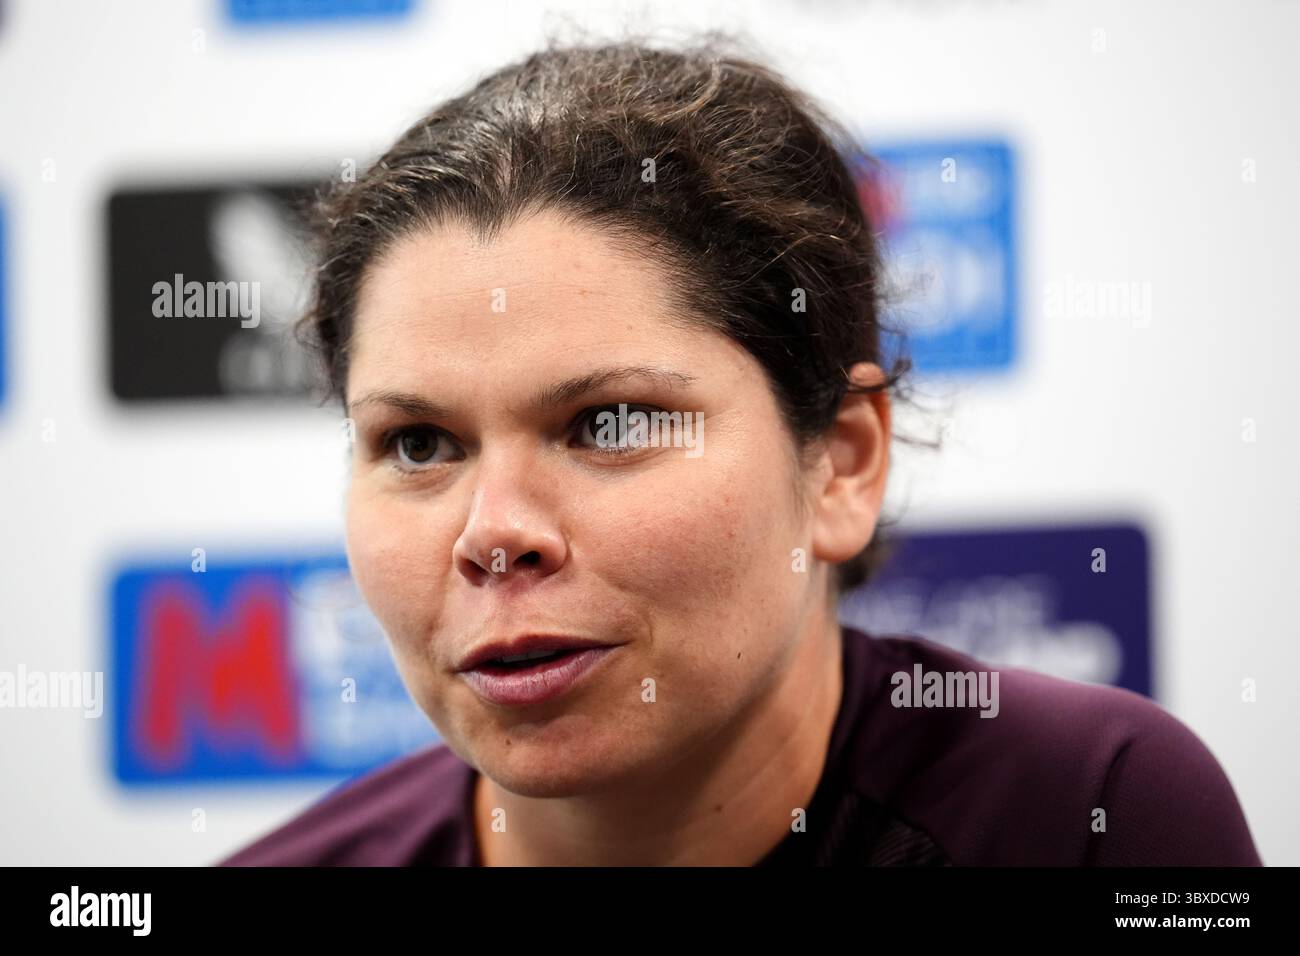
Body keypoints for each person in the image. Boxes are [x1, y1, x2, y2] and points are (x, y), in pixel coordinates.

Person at [219, 36, 1262, 866]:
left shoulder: (1090, 811)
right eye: (417, 442)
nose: (494, 534)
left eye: (610, 423)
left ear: (841, 461)